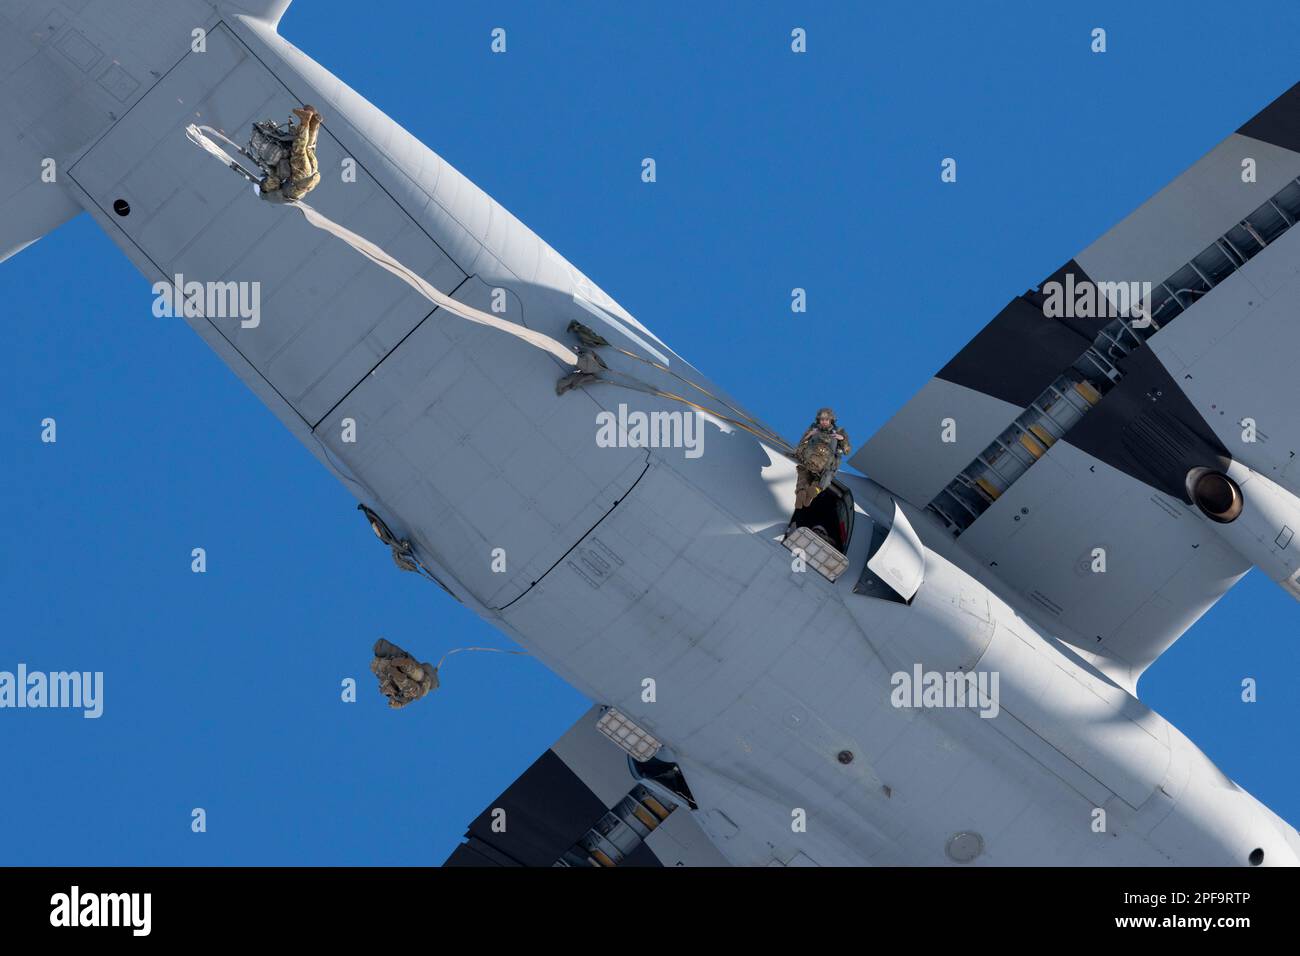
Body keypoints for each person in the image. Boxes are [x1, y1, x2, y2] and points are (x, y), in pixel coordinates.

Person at [258, 105, 322, 203]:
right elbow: (273, 182)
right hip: (301, 176)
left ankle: (314, 123)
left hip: (313, 170)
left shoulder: (284, 193)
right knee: (299, 149)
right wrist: (265, 184)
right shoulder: (271, 192)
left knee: (308, 148)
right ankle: (305, 121)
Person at [793, 407, 851, 511]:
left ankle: (801, 491)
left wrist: (810, 435)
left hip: (809, 461)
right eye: (822, 420)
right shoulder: (838, 432)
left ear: (830, 420)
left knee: (803, 475)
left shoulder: (814, 429)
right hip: (825, 467)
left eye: (826, 420)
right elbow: (847, 450)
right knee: (822, 480)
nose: (824, 422)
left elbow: (801, 443)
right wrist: (842, 439)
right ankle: (813, 491)